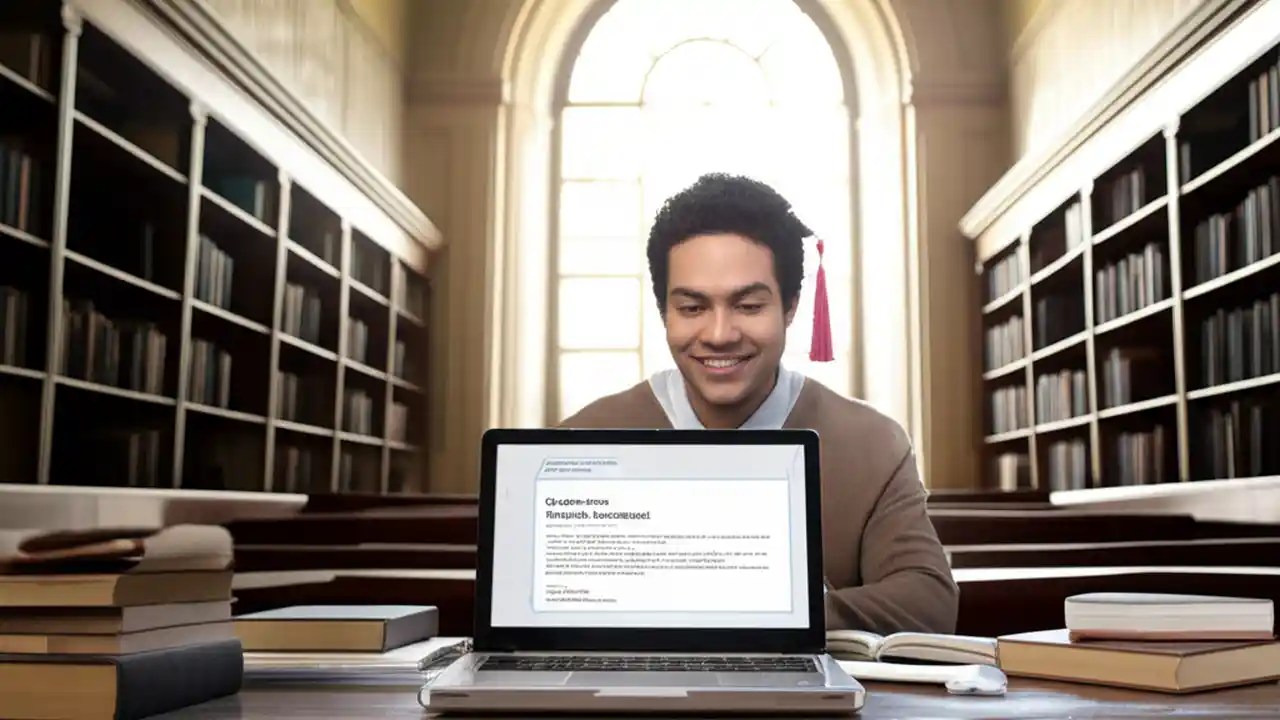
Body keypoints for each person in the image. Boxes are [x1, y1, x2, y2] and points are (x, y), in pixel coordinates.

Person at [558, 173, 958, 635]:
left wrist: (744, 613)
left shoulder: (871, 445)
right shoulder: (581, 439)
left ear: (790, 306)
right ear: (663, 311)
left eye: (748, 306)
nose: (719, 334)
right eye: (692, 308)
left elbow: (927, 604)